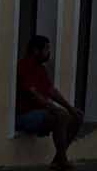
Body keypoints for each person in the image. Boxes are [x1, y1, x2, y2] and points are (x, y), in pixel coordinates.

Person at [16, 33, 82, 170]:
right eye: (46, 49)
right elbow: (33, 93)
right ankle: (62, 160)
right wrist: (53, 108)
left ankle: (58, 159)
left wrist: (70, 108)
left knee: (76, 117)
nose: (48, 52)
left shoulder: (41, 69)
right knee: (61, 116)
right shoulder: (25, 66)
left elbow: (51, 91)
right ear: (36, 50)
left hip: (40, 114)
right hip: (24, 115)